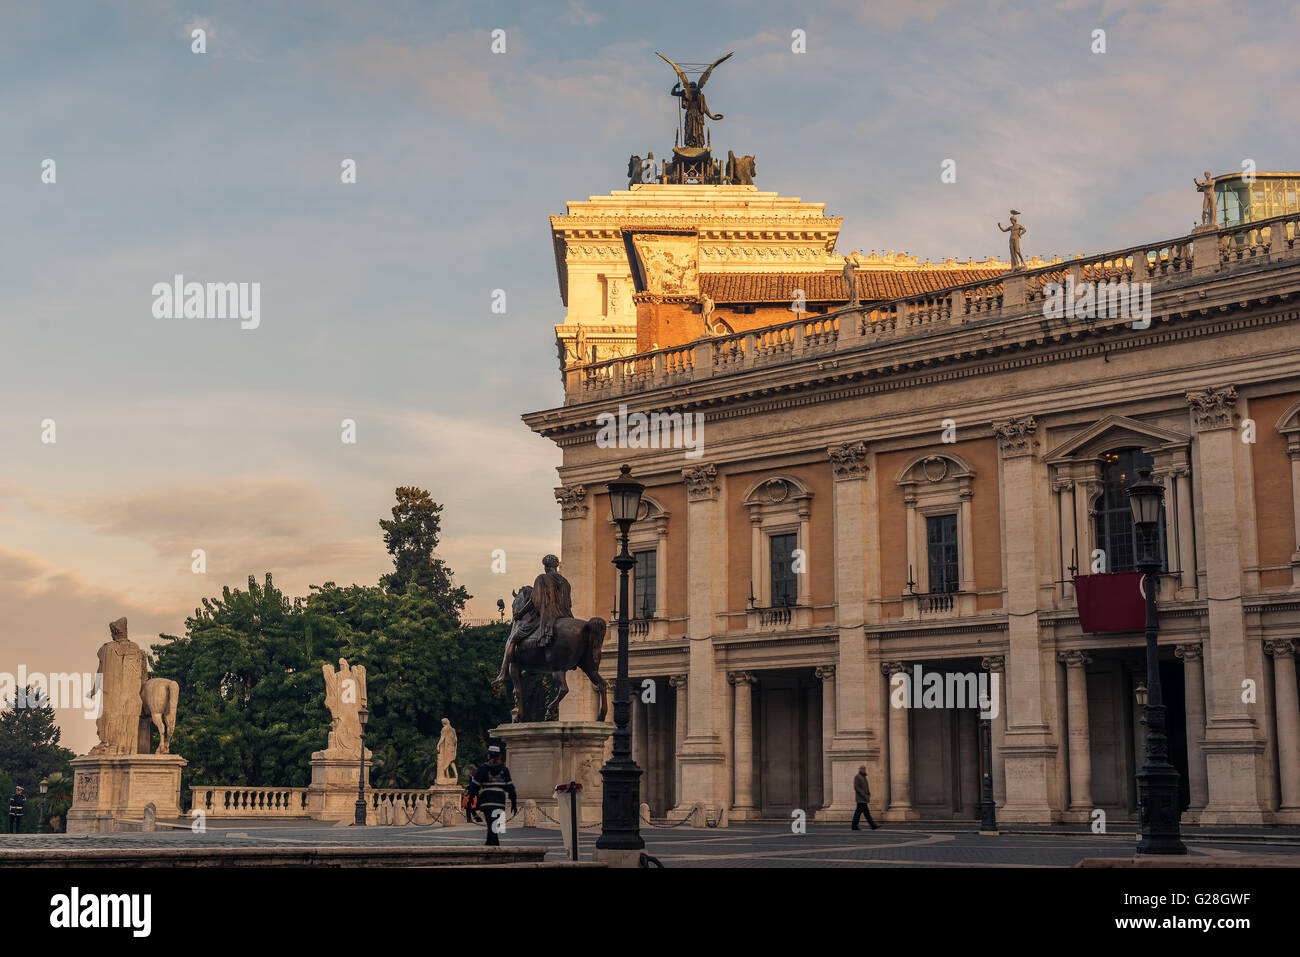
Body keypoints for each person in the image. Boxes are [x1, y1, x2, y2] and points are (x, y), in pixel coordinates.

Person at [466, 745, 517, 846]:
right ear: (499, 756)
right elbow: (511, 788)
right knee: (493, 826)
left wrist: (470, 799)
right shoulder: (504, 770)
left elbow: (474, 786)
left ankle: (493, 845)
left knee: (491, 825)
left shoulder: (483, 769)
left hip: (487, 801)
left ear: (488, 756)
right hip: (499, 801)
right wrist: (514, 803)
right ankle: (490, 845)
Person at [851, 765, 879, 831]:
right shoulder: (857, 777)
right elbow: (857, 787)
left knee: (859, 813)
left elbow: (866, 787)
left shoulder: (864, 777)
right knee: (865, 813)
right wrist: (864, 795)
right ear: (860, 769)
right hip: (861, 799)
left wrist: (868, 794)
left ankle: (854, 826)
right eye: (863, 769)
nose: (864, 770)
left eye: (864, 769)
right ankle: (872, 825)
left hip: (863, 798)